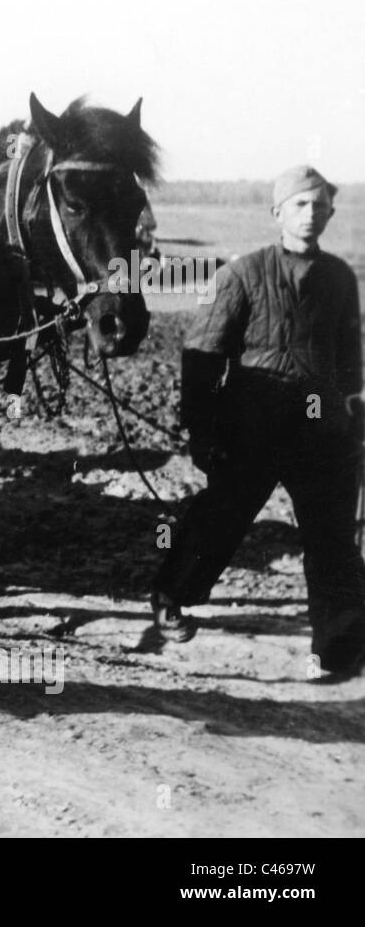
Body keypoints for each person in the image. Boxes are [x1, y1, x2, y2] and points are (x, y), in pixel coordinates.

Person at [152, 165, 365, 680]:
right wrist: (203, 431)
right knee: (220, 518)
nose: (310, 213)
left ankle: (337, 650)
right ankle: (171, 594)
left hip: (319, 425)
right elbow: (202, 357)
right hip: (253, 423)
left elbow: (349, 362)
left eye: (319, 205)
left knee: (332, 534)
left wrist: (354, 423)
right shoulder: (241, 275)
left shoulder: (339, 277)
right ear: (277, 213)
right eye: (299, 204)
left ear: (331, 213)